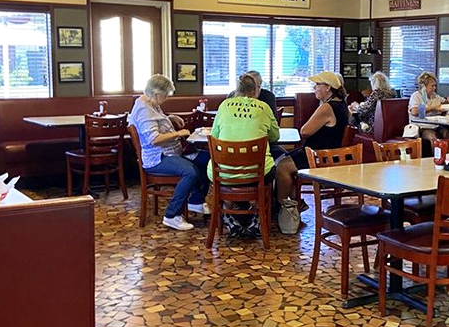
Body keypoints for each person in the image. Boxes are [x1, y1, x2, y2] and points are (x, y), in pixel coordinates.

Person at [128, 74, 210, 231]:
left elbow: (155, 122)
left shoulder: (149, 102)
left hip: (169, 152)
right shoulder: (144, 109)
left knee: (205, 159)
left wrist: (169, 118)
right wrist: (179, 133)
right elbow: (154, 139)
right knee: (190, 172)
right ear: (156, 93)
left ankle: (195, 201)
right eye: (165, 95)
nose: (166, 98)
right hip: (158, 158)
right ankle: (172, 215)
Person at [276, 71, 349, 234]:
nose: (314, 88)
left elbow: (305, 131)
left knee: (282, 167)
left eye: (317, 85)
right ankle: (297, 202)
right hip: (327, 154)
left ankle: (283, 207)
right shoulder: (341, 104)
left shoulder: (327, 107)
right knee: (282, 157)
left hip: (319, 156)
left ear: (328, 87)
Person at [210, 73, 280, 239]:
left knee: (214, 172)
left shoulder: (224, 105)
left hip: (224, 173)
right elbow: (275, 136)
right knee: (271, 171)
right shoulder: (264, 107)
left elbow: (214, 136)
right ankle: (257, 214)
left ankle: (228, 214)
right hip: (257, 173)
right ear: (256, 90)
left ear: (237, 90)